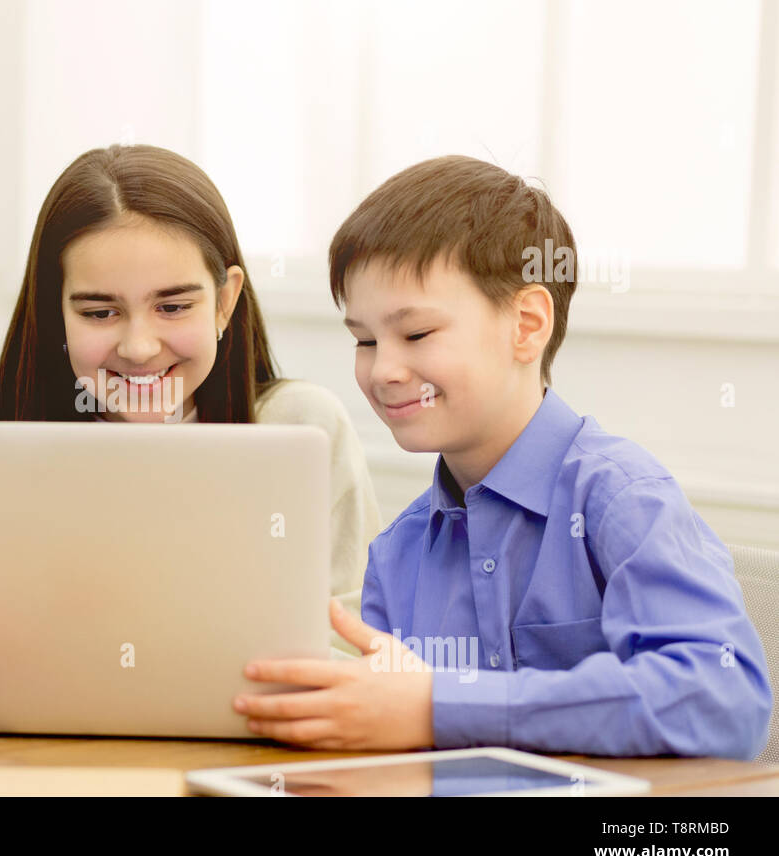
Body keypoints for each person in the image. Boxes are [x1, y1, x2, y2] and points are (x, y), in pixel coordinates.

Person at [234, 155, 771, 758]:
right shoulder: (398, 552)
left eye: (415, 335)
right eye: (364, 339)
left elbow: (724, 700)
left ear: (526, 324)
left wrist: (440, 707)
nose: (383, 370)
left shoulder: (622, 498)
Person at [0, 145, 380, 631]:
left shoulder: (302, 427)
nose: (139, 347)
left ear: (224, 302)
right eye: (100, 313)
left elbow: (352, 638)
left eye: (172, 307)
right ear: (56, 315)